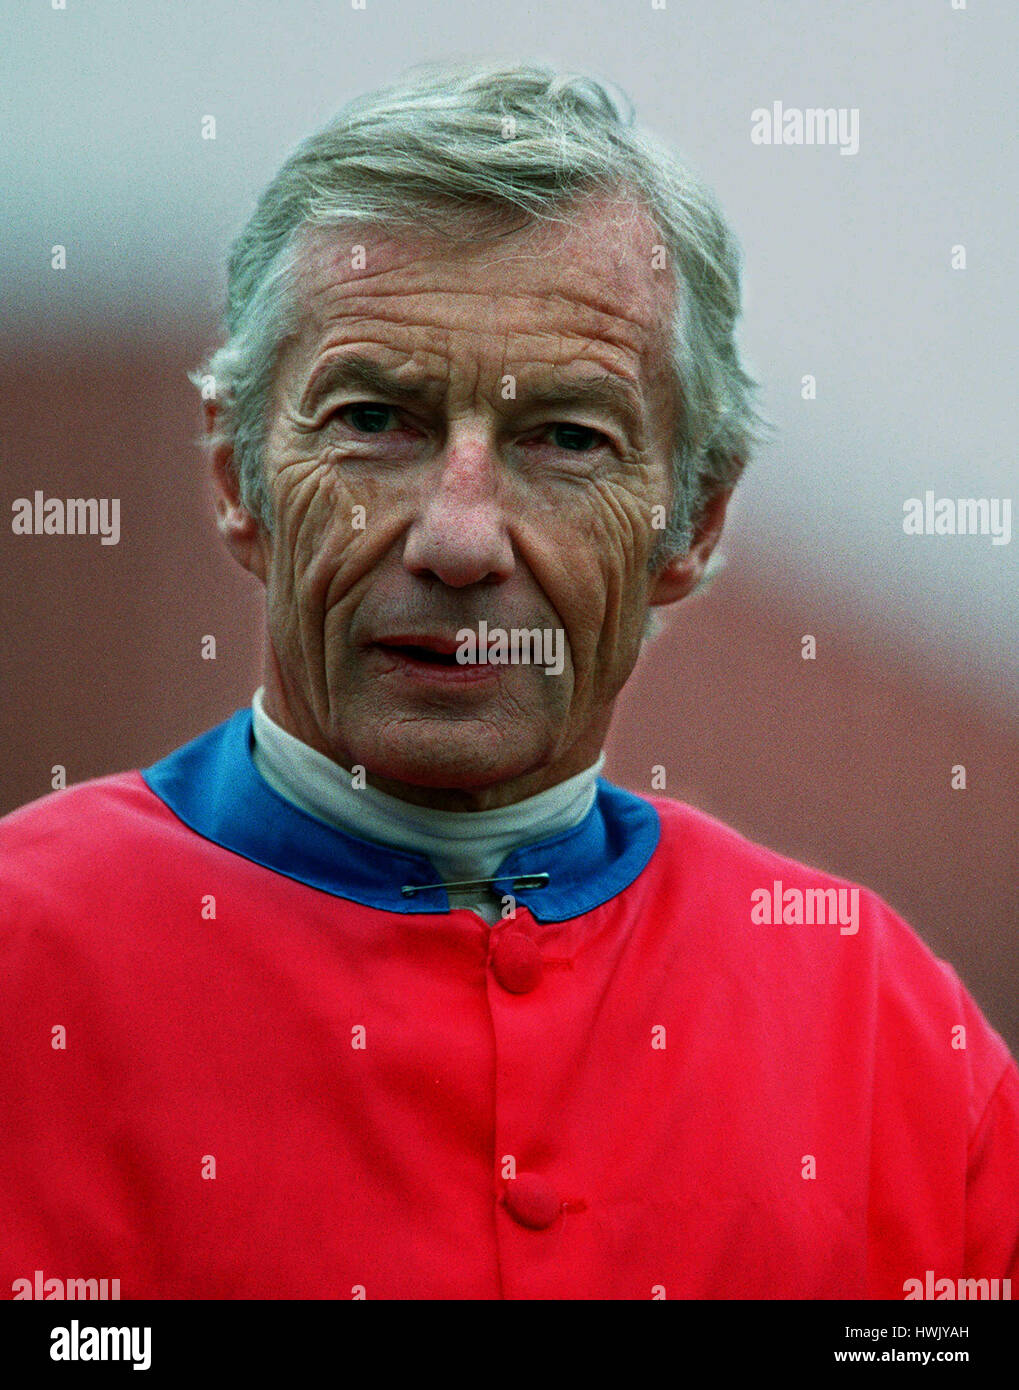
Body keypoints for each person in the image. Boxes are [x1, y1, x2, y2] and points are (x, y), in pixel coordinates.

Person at [2, 61, 1016, 1302]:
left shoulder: (889, 1033)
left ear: (690, 520)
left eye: (566, 440)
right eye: (376, 419)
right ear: (233, 478)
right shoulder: (23, 958)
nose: (459, 540)